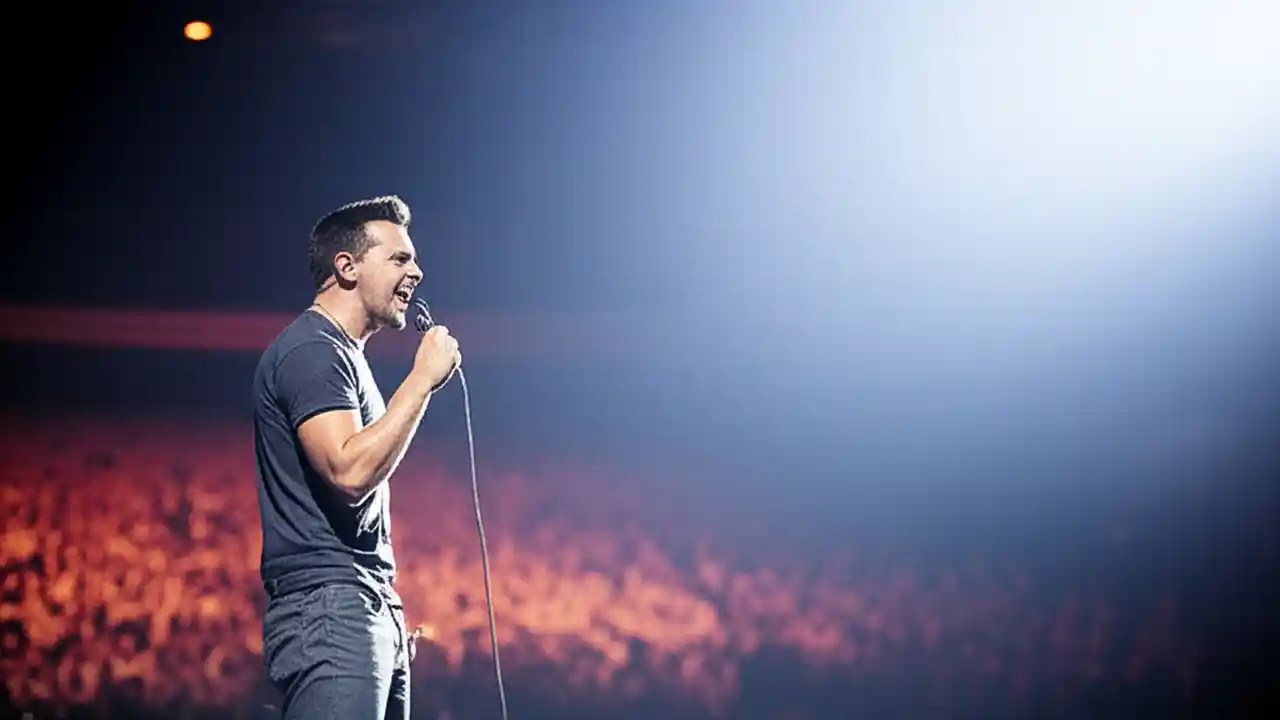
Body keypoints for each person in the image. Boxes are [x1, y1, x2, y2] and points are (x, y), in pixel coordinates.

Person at [251, 194, 461, 719]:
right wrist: (421, 381)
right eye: (399, 258)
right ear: (346, 267)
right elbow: (348, 471)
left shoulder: (346, 357)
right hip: (331, 607)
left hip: (362, 608)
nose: (417, 271)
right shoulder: (312, 351)